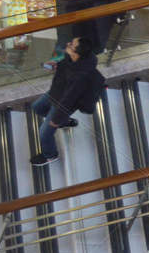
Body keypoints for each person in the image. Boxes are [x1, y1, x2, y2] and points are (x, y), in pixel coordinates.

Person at [30, 36, 105, 165]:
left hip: (62, 103)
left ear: (77, 53)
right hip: (56, 92)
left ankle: (50, 155)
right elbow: (66, 66)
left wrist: (56, 120)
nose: (68, 43)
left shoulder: (80, 78)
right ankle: (64, 122)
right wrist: (56, 66)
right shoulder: (74, 58)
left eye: (71, 45)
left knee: (44, 133)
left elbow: (68, 101)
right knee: (37, 107)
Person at [50, 0, 124, 65]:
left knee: (72, 56)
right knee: (89, 60)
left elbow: (70, 7)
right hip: (98, 40)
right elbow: (122, 18)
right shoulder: (118, 2)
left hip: (80, 35)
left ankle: (58, 66)